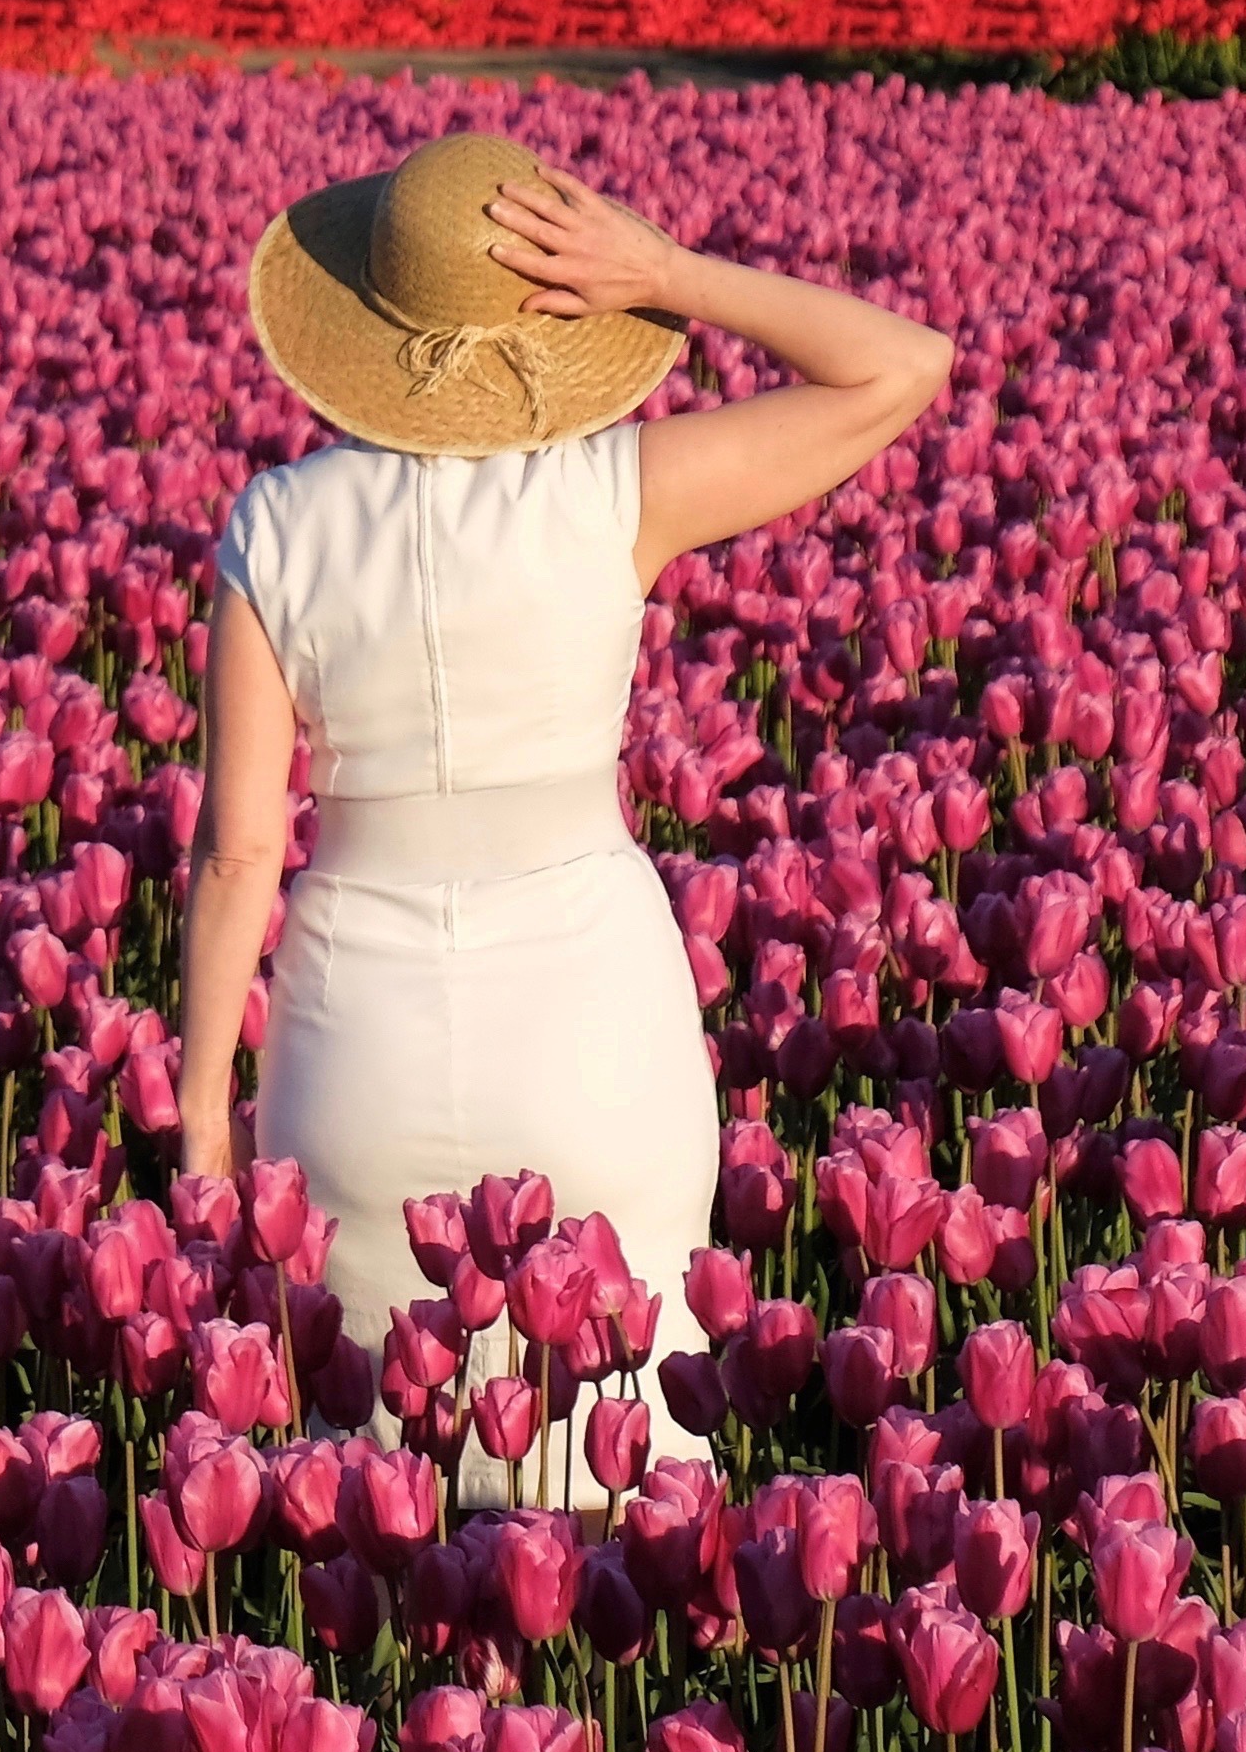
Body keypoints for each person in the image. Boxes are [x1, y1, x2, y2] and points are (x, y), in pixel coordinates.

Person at [165, 128, 949, 1495]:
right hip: (594, 1028)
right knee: (608, 1479)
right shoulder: (612, 495)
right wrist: (670, 272)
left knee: (375, 1490)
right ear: (553, 319)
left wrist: (202, 1127)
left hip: (359, 1048)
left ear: (367, 321)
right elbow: (906, 365)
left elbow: (238, 854)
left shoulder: (277, 527)